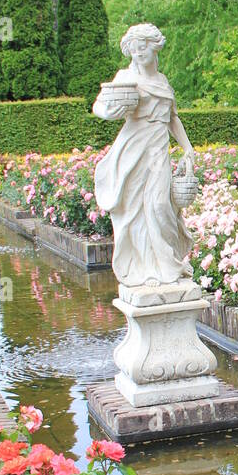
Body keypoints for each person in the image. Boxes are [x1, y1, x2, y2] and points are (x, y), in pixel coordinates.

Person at [93, 24, 197, 290]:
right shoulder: (125, 77)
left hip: (158, 148)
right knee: (137, 208)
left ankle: (168, 263)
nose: (138, 54)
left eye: (143, 48)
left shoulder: (162, 81)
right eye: (134, 49)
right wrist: (111, 110)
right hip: (134, 149)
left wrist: (187, 148)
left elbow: (173, 118)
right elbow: (101, 105)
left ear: (154, 47)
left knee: (161, 205)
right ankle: (145, 268)